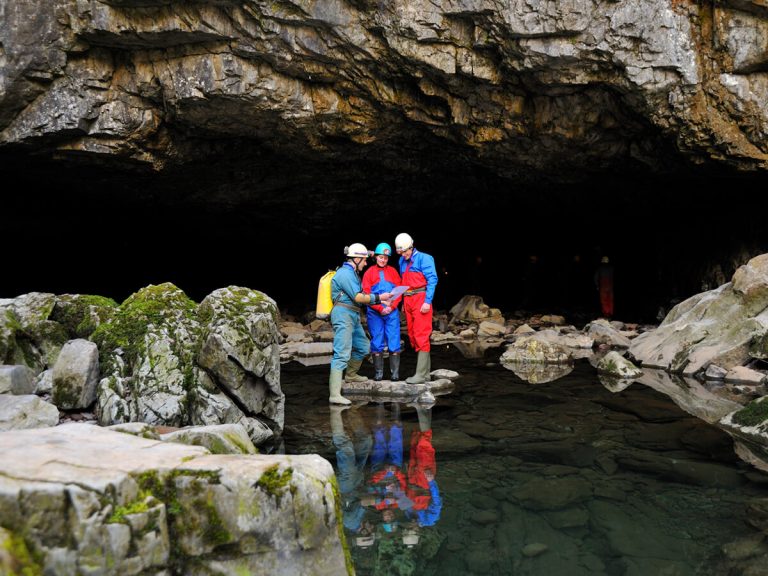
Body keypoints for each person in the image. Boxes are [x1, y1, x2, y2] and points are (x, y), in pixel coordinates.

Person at [329, 243, 392, 404]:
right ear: (356, 259)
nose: (365, 263)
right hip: (343, 314)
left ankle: (351, 375)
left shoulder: (352, 272)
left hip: (353, 314)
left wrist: (370, 253)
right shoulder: (345, 274)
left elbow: (359, 297)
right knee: (342, 352)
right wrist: (379, 298)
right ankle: (334, 394)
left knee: (363, 346)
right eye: (363, 260)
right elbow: (358, 297)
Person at [395, 233, 438, 384]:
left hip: (420, 298)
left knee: (421, 334)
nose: (404, 254)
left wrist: (427, 301)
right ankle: (426, 373)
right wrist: (402, 303)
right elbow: (403, 282)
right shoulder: (401, 260)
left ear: (411, 247)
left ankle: (420, 375)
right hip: (408, 299)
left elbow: (432, 279)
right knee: (412, 335)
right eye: (401, 252)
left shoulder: (424, 258)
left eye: (406, 251)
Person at [362, 242, 403, 381]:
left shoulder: (393, 271)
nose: (383, 260)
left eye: (386, 257)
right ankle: (379, 373)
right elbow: (366, 295)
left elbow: (399, 292)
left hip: (391, 311)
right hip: (374, 312)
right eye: (381, 257)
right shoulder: (369, 273)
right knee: (377, 340)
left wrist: (391, 307)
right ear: (376, 257)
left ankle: (395, 374)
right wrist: (380, 308)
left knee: (394, 339)